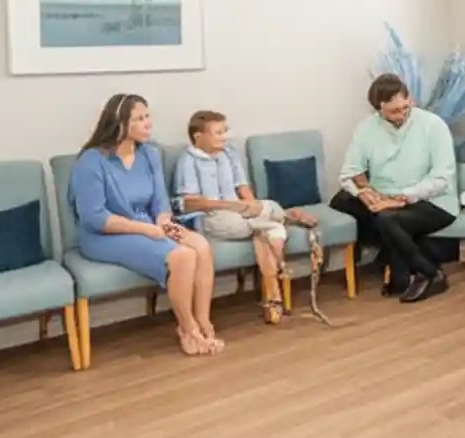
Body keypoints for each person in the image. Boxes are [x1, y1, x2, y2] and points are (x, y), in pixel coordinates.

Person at [69, 93, 223, 356]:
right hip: (105, 235)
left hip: (149, 225)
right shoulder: (91, 161)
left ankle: (203, 321)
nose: (148, 123)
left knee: (200, 245)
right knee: (183, 256)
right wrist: (146, 229)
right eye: (139, 119)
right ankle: (188, 330)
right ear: (119, 124)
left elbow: (160, 201)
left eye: (147, 116)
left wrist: (163, 221)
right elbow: (95, 217)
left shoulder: (149, 154)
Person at [174, 110, 318, 325]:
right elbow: (192, 202)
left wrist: (253, 206)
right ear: (198, 136)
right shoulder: (188, 161)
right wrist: (233, 206)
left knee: (269, 208)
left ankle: (273, 296)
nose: (225, 136)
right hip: (212, 216)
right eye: (218, 132)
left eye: (225, 131)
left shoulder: (229, 152)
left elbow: (242, 187)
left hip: (240, 212)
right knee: (269, 228)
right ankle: (283, 221)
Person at [329, 73, 458, 302]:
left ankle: (429, 273)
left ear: (410, 100)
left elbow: (441, 178)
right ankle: (400, 267)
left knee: (387, 220)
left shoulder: (433, 125)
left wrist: (401, 199)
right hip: (383, 198)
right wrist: (364, 192)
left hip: (431, 201)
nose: (401, 115)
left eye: (405, 108)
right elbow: (349, 172)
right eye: (393, 112)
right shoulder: (366, 128)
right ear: (379, 109)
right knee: (341, 201)